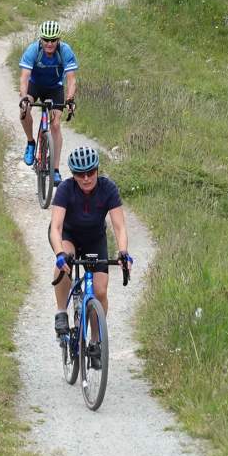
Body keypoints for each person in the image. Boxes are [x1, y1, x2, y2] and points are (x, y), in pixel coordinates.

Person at [48, 145, 132, 361]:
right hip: (68, 236)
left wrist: (123, 253)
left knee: (100, 291)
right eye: (79, 174)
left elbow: (120, 227)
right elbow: (56, 227)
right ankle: (61, 313)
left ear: (97, 169)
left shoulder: (108, 188)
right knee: (64, 262)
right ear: (73, 175)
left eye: (90, 172)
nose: (86, 178)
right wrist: (59, 253)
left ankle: (95, 341)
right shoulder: (66, 189)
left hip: (95, 239)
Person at [17, 20, 78, 185]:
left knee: (56, 125)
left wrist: (70, 99)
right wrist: (24, 97)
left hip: (54, 88)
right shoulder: (33, 50)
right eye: (46, 40)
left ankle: (55, 169)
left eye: (53, 40)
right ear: (41, 39)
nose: (49, 43)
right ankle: (31, 142)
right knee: (25, 108)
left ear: (58, 39)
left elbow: (71, 80)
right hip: (35, 86)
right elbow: (24, 77)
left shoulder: (64, 51)